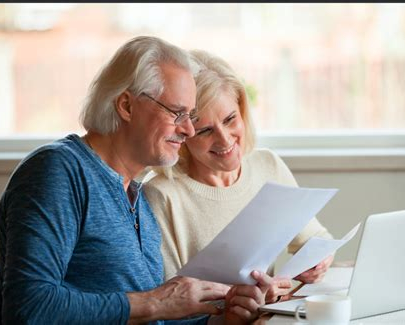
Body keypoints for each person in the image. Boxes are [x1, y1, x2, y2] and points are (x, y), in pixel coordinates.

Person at [0, 36, 272, 325]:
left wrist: (226, 317)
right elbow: (27, 308)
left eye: (190, 116)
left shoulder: (137, 197)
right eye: (177, 113)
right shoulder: (57, 172)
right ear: (127, 106)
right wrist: (155, 302)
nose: (189, 130)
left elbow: (155, 317)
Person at [143, 50, 335, 304]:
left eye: (230, 119)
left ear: (242, 111)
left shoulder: (268, 166)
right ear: (184, 135)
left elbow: (315, 238)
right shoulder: (161, 195)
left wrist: (319, 260)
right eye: (205, 131)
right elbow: (167, 300)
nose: (224, 140)